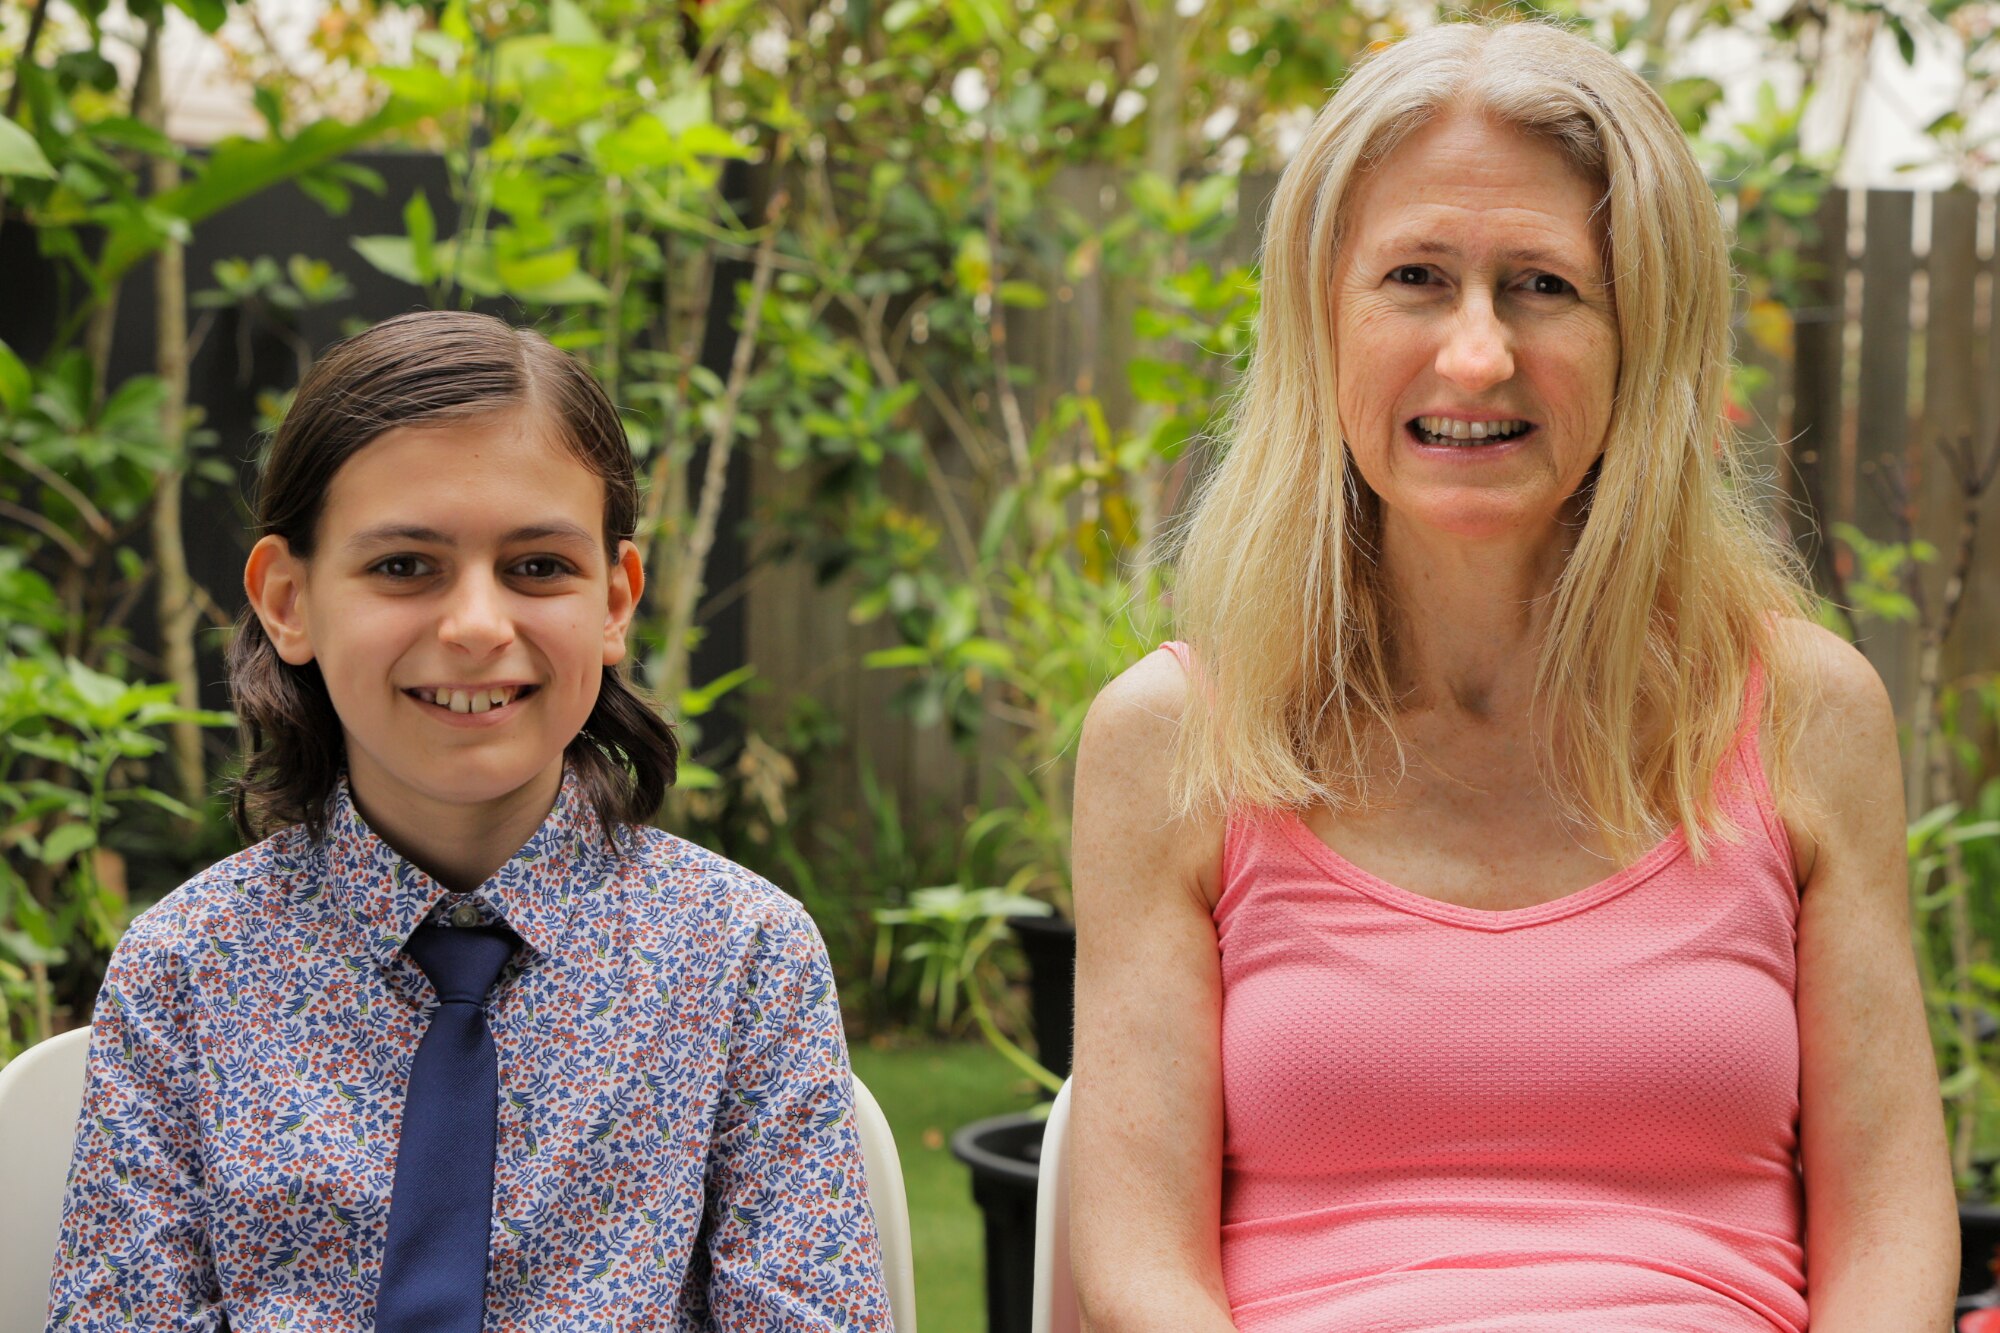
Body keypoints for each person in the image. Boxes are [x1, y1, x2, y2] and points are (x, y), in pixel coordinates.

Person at [1069, 19, 1955, 1332]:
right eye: (1415, 277)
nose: (1476, 355)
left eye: (1543, 285)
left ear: (1644, 338)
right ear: (1320, 321)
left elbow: (1891, 1240)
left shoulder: (1804, 718)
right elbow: (1136, 1273)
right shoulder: (1172, 739)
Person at [45, 311, 892, 1332]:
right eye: (405, 565)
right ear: (288, 599)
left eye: (538, 566)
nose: (478, 625)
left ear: (615, 599)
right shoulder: (183, 971)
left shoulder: (743, 957)